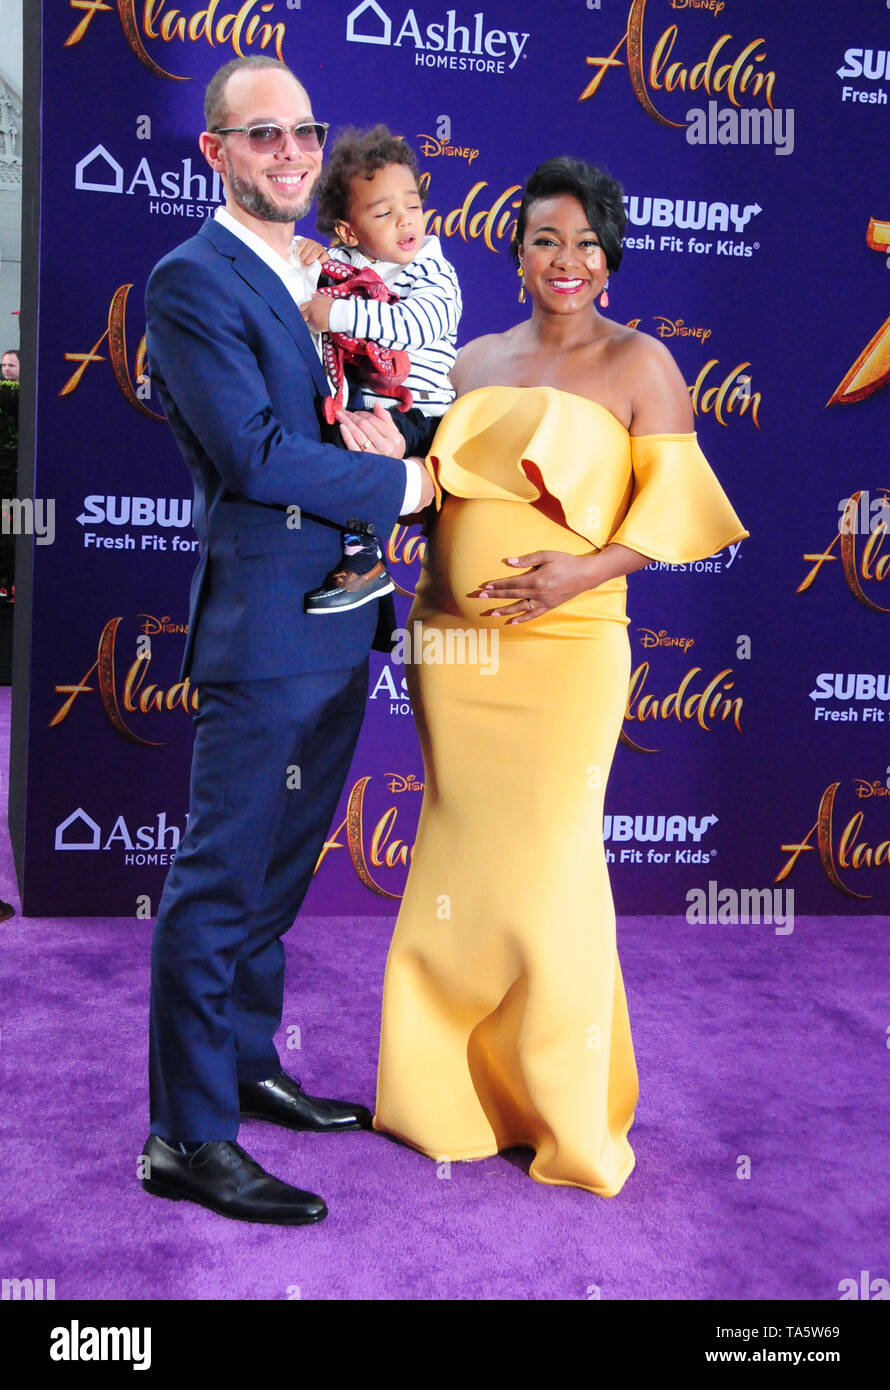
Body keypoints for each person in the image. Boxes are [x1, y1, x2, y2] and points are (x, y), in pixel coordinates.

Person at [373, 157, 749, 1197]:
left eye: (585, 243)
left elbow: (674, 512)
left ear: (610, 259)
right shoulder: (472, 359)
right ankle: (448, 1095)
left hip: (570, 651)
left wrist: (578, 572)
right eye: (545, 239)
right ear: (518, 251)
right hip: (452, 650)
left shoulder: (642, 364)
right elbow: (430, 489)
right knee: (457, 857)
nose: (565, 260)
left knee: (551, 866)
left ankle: (564, 1113)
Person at [141, 55, 433, 1226]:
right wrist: (405, 482)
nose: (292, 153)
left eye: (303, 131)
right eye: (260, 135)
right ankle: (186, 1136)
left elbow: (340, 420)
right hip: (264, 631)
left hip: (334, 621)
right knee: (216, 885)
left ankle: (247, 1065)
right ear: (214, 152)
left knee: (271, 879)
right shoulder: (191, 278)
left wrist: (391, 430)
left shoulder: (311, 276)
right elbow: (255, 457)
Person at [299, 125, 461, 614]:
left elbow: (417, 323)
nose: (405, 221)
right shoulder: (342, 264)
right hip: (370, 407)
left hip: (422, 417)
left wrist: (339, 313)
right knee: (329, 444)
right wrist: (307, 257)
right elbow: (314, 301)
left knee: (360, 461)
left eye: (412, 205)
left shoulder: (432, 268)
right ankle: (352, 555)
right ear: (350, 231)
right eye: (384, 213)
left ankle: (365, 562)